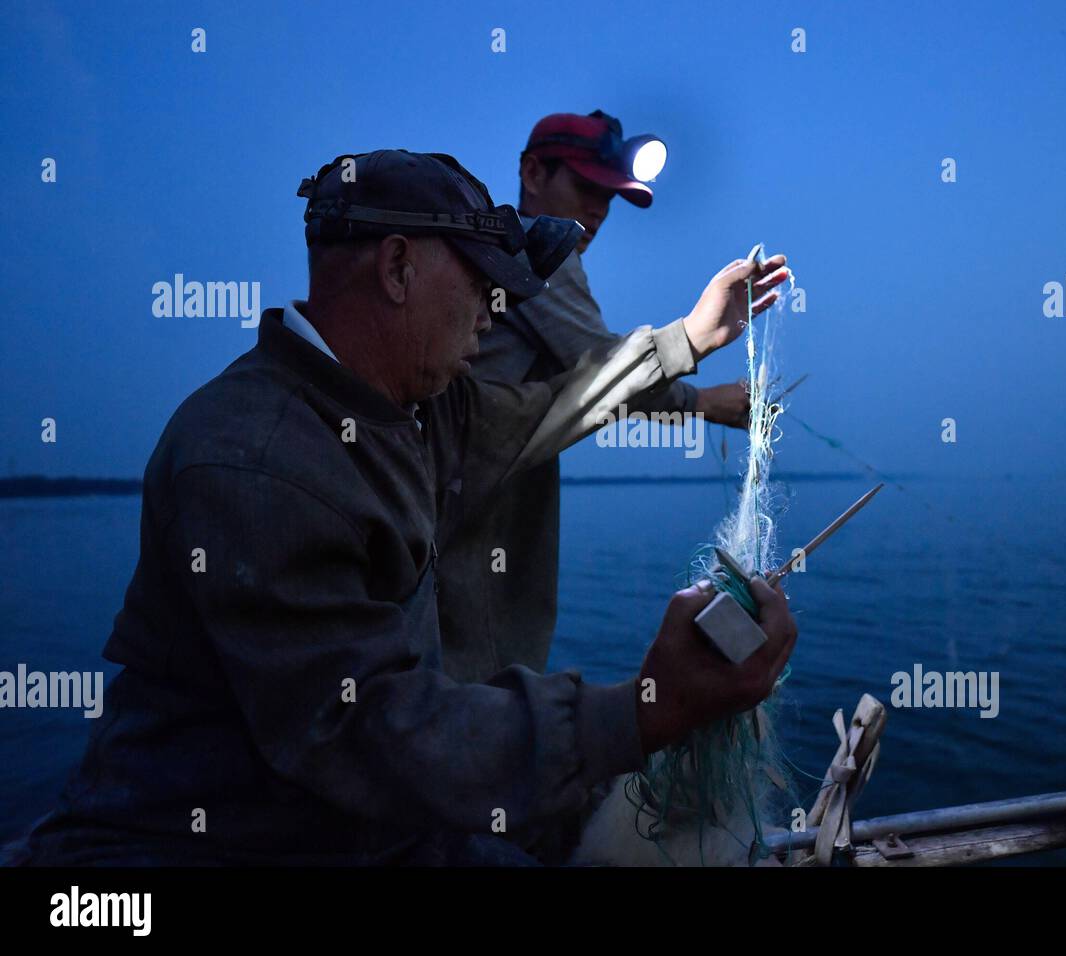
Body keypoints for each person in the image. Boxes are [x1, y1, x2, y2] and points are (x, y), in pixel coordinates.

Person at [12, 149, 795, 866]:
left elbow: (561, 406)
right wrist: (643, 711)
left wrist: (685, 339)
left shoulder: (424, 412)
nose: (497, 313)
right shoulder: (253, 458)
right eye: (485, 285)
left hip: (372, 829)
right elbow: (373, 729)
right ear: (396, 268)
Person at [440, 110, 751, 683]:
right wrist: (706, 399)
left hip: (473, 503)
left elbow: (598, 383)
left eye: (610, 197)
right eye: (586, 187)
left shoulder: (520, 259)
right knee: (474, 684)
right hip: (463, 508)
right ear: (533, 172)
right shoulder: (532, 252)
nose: (598, 210)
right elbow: (606, 372)